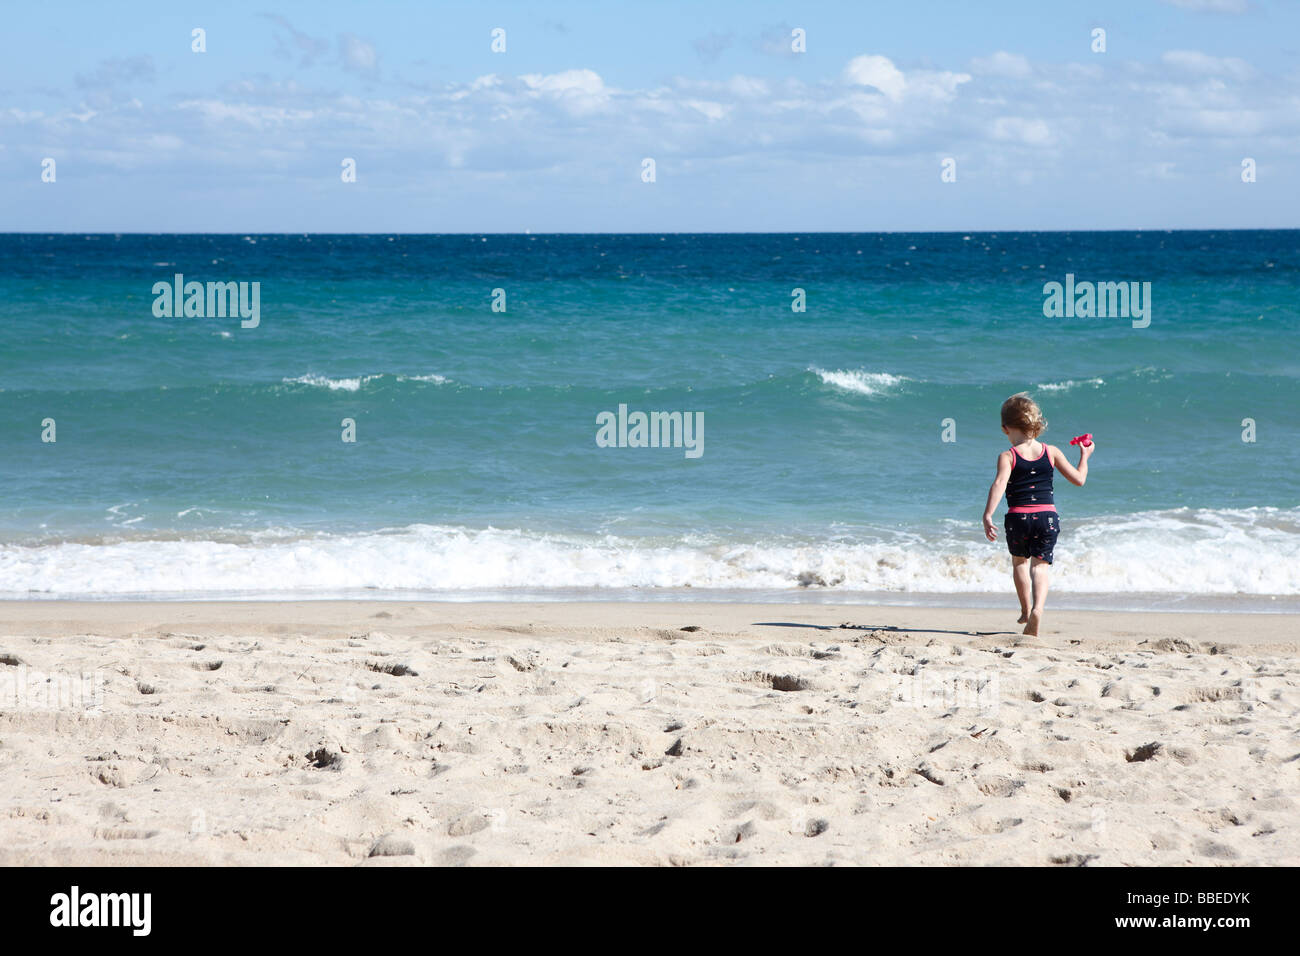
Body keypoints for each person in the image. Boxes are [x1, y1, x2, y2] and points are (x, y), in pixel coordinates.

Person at [981, 393, 1095, 636]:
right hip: (1047, 518)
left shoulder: (1008, 456)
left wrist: (988, 514)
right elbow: (1079, 480)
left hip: (1018, 518)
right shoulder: (1051, 452)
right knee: (1040, 568)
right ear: (1035, 424)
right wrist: (1084, 456)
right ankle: (1038, 610)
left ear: (1005, 429)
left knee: (1019, 563)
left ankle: (1025, 609)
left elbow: (999, 483)